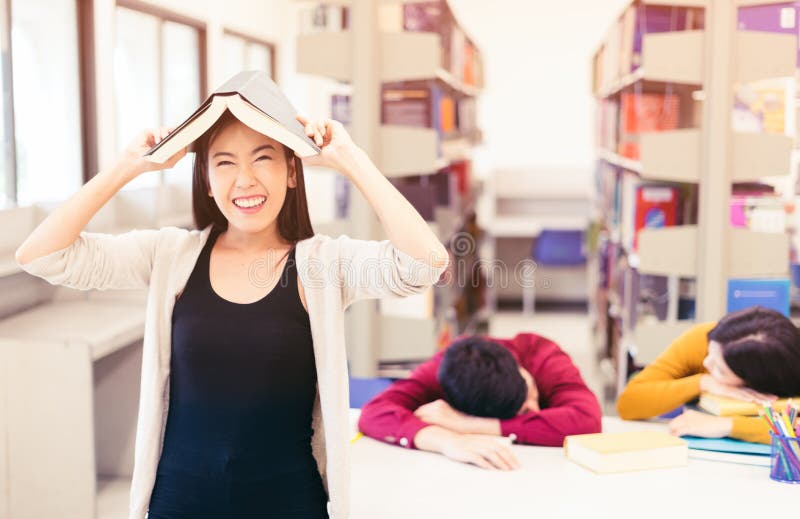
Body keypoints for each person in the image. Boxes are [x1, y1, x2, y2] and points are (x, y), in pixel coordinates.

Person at [15, 104, 448, 518]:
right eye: (224, 163)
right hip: (178, 503)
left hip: (290, 503)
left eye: (263, 158)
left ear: (292, 171)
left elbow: (424, 264)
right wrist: (127, 166)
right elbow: (42, 255)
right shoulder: (170, 255)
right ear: (205, 179)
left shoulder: (323, 265)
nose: (245, 180)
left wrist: (352, 160)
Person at [358, 333, 602, 470]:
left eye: (530, 393)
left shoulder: (542, 354)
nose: (536, 410)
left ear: (520, 369)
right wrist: (446, 440)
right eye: (524, 411)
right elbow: (373, 413)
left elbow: (588, 420)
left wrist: (467, 425)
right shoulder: (446, 372)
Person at [617, 306, 800, 444]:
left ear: (755, 380)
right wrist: (703, 382)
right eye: (709, 353)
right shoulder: (702, 340)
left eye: (720, 369)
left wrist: (728, 426)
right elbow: (629, 404)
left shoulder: (784, 368)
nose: (706, 363)